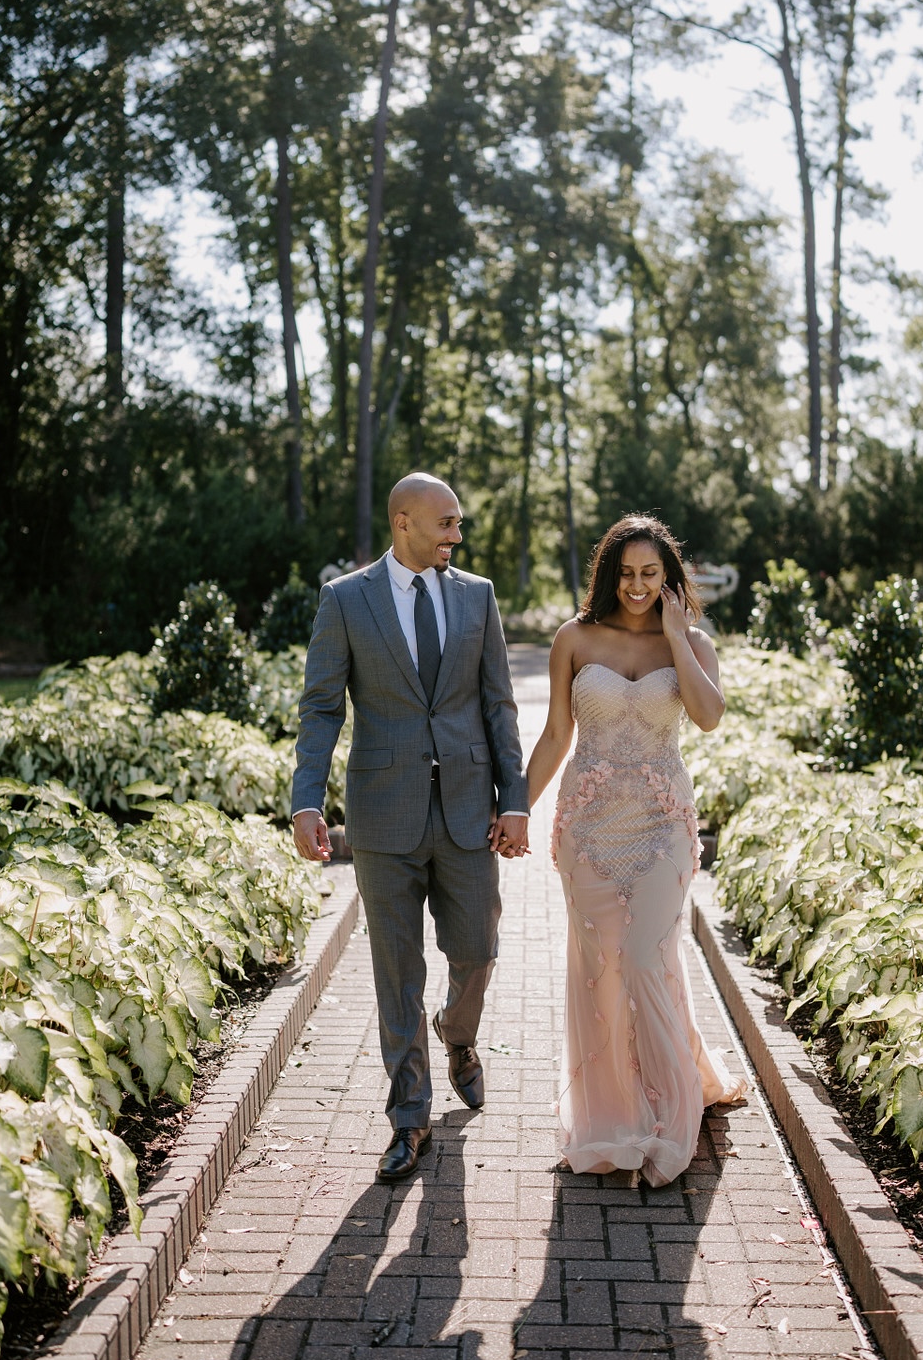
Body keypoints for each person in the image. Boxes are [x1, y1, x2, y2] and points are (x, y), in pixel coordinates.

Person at [292, 474, 530, 1183]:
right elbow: (321, 709)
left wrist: (513, 798)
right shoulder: (345, 600)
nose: (457, 535)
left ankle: (458, 1035)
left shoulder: (477, 596)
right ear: (405, 522)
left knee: (478, 951)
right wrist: (308, 801)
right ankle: (410, 1117)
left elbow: (500, 706)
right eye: (447, 523)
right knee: (397, 973)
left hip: (468, 812)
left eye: (458, 523)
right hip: (382, 815)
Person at [526, 514, 745, 1187]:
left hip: (662, 828)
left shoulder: (693, 640)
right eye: (627, 573)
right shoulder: (575, 637)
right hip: (588, 830)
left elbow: (708, 717)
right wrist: (512, 809)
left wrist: (678, 639)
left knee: (648, 957)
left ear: (669, 577)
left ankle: (670, 1117)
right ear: (608, 574)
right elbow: (558, 734)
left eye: (651, 573)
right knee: (604, 970)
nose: (638, 585)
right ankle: (613, 1115)